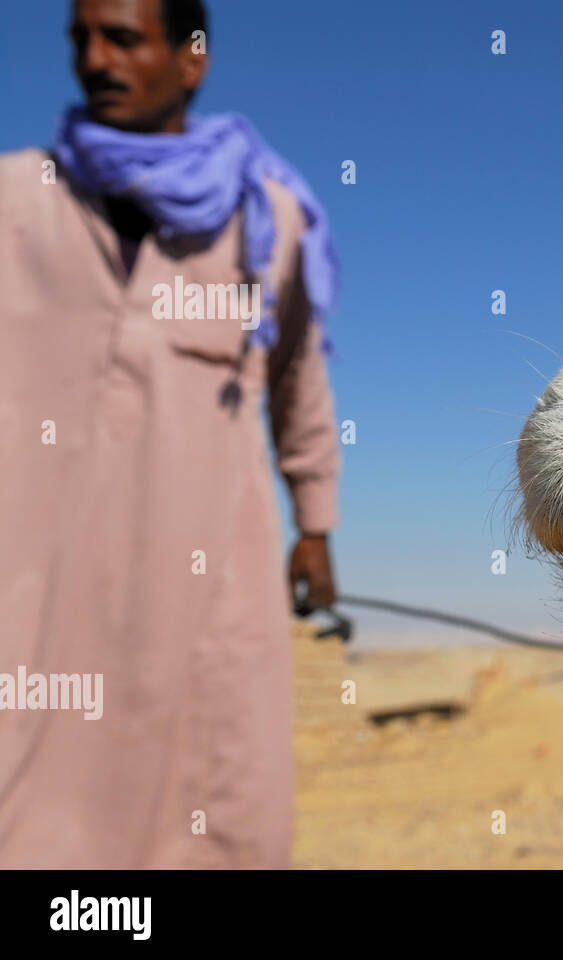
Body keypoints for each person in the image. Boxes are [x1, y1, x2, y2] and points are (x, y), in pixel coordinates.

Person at [0, 0, 341, 867]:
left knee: (210, 784)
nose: (96, 60)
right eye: (81, 39)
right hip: (34, 556)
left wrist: (315, 522)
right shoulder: (15, 196)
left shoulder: (269, 219)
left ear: (190, 59)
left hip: (200, 554)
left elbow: (298, 377)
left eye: (123, 38)